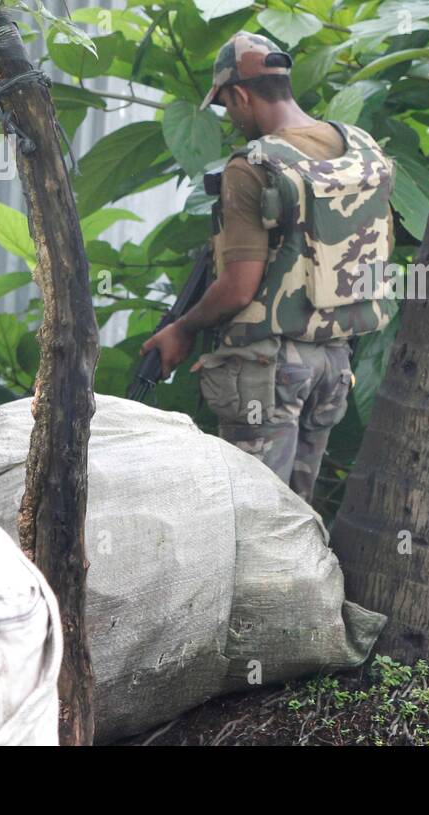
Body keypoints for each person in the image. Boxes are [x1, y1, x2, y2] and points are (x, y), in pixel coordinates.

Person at [141, 32, 396, 501]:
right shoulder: (358, 146)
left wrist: (183, 326)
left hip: (268, 369)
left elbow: (239, 287)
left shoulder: (254, 165)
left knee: (255, 518)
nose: (230, 119)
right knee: (295, 516)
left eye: (225, 106)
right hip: (334, 362)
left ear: (238, 94)